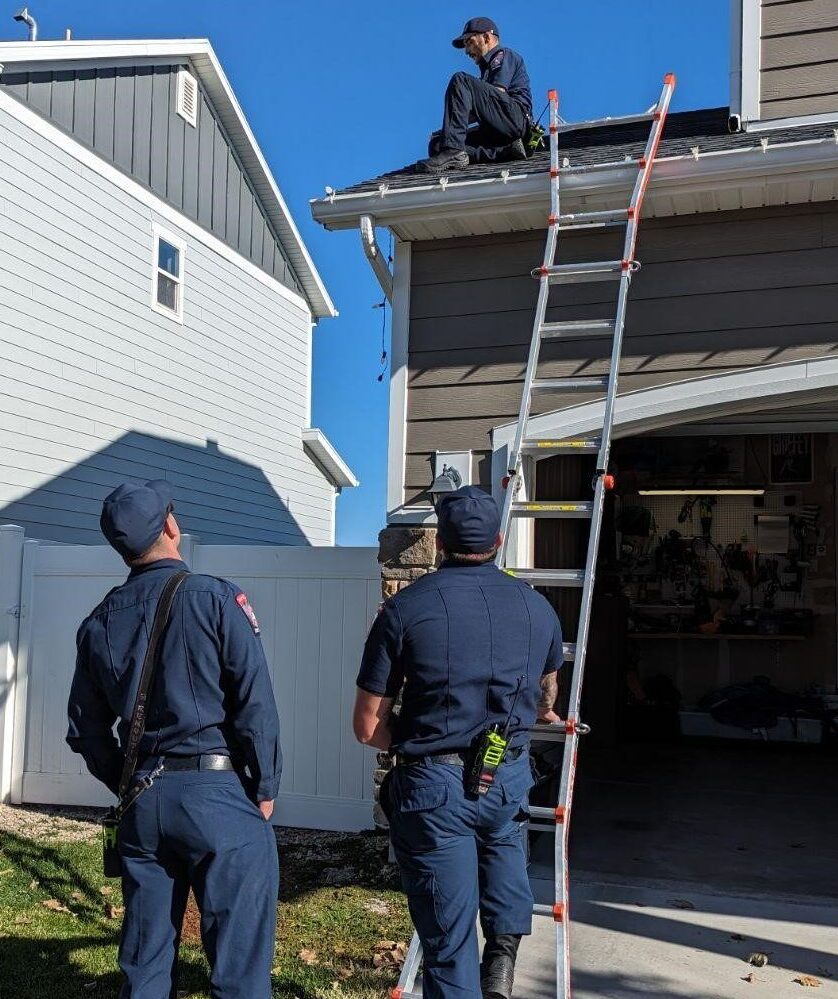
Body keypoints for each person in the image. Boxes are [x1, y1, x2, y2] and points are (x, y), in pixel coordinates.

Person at [67, 480, 281, 999]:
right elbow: (254, 704)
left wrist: (128, 781)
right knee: (239, 971)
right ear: (170, 526)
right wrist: (266, 784)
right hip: (217, 795)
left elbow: (85, 730)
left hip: (143, 800)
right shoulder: (214, 597)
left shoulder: (98, 621)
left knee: (144, 965)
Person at [353, 486, 564, 999]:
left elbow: (366, 726)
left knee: (446, 940)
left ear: (441, 542)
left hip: (434, 786)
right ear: (499, 539)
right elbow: (545, 697)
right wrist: (543, 715)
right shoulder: (538, 609)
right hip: (507, 776)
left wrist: (416, 748)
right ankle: (502, 966)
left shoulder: (403, 610)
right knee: (506, 870)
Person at [417, 16, 533, 174]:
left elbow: (498, 94)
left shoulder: (503, 55)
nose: (466, 51)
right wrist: (449, 131)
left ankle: (454, 151)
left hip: (514, 119)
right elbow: (484, 108)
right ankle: (506, 150)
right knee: (437, 145)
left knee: (460, 80)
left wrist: (454, 130)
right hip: (498, 129)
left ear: (486, 37)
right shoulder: (484, 75)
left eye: (469, 42)